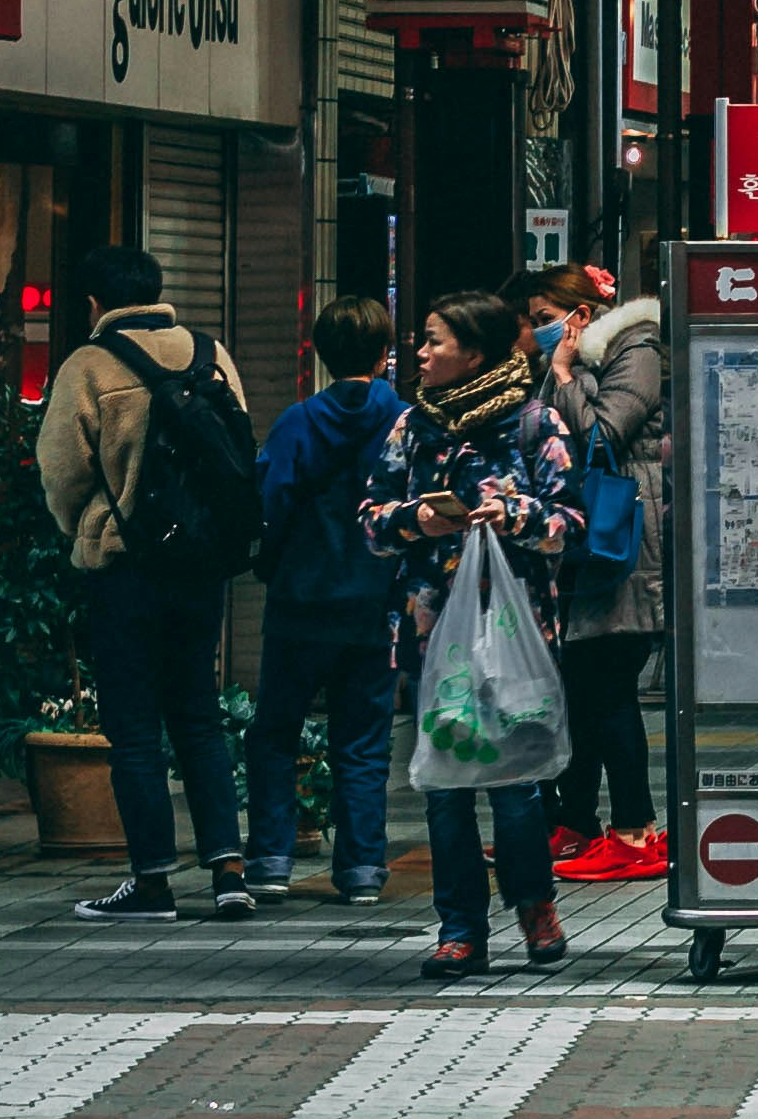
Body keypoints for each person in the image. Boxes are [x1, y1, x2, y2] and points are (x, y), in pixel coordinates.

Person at [35, 237, 261, 929]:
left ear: (96, 301)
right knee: (196, 712)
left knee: (133, 726)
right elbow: (238, 450)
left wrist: (89, 528)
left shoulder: (88, 365)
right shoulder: (209, 353)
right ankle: (228, 871)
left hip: (125, 566)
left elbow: (61, 472)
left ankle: (152, 882)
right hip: (199, 565)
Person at [363, 286, 579, 983]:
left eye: (433, 340)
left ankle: (535, 906)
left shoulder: (533, 422)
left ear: (475, 353)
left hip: (514, 636)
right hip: (435, 637)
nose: (419, 353)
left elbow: (570, 524)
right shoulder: (412, 428)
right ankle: (459, 927)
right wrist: (412, 521)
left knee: (515, 783)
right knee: (446, 785)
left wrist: (514, 516)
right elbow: (369, 518)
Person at [241, 291, 406, 906]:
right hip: (376, 601)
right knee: (363, 738)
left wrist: (272, 561)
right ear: (385, 354)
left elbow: (270, 504)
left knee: (276, 732)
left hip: (301, 601)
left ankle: (271, 861)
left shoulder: (298, 421)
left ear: (319, 353)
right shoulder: (404, 420)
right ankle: (362, 869)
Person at [547, 265, 669, 878]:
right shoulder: (599, 359)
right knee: (587, 688)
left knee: (610, 688)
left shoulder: (637, 352)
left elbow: (599, 438)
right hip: (587, 544)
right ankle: (581, 823)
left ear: (579, 318)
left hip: (624, 548)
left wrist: (565, 375)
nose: (538, 331)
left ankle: (635, 831)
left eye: (545, 316)